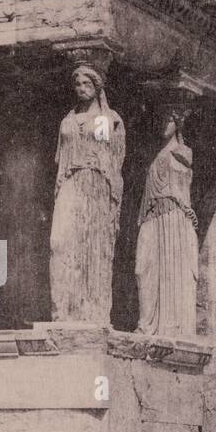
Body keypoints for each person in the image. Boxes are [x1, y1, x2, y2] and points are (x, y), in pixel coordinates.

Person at [49, 65, 125, 324]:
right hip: (70, 182)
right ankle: (64, 309)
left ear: (97, 88)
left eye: (86, 84)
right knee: (60, 243)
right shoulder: (67, 121)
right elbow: (61, 158)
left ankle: (92, 311)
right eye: (78, 84)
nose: (81, 88)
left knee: (92, 245)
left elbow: (111, 156)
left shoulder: (106, 118)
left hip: (95, 183)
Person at [135, 105, 198, 337]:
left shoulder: (182, 153)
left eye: (169, 119)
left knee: (170, 270)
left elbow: (184, 190)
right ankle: (147, 324)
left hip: (173, 218)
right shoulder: (153, 156)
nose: (164, 124)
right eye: (160, 119)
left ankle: (169, 328)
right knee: (143, 268)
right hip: (152, 215)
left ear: (178, 123)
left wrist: (188, 211)